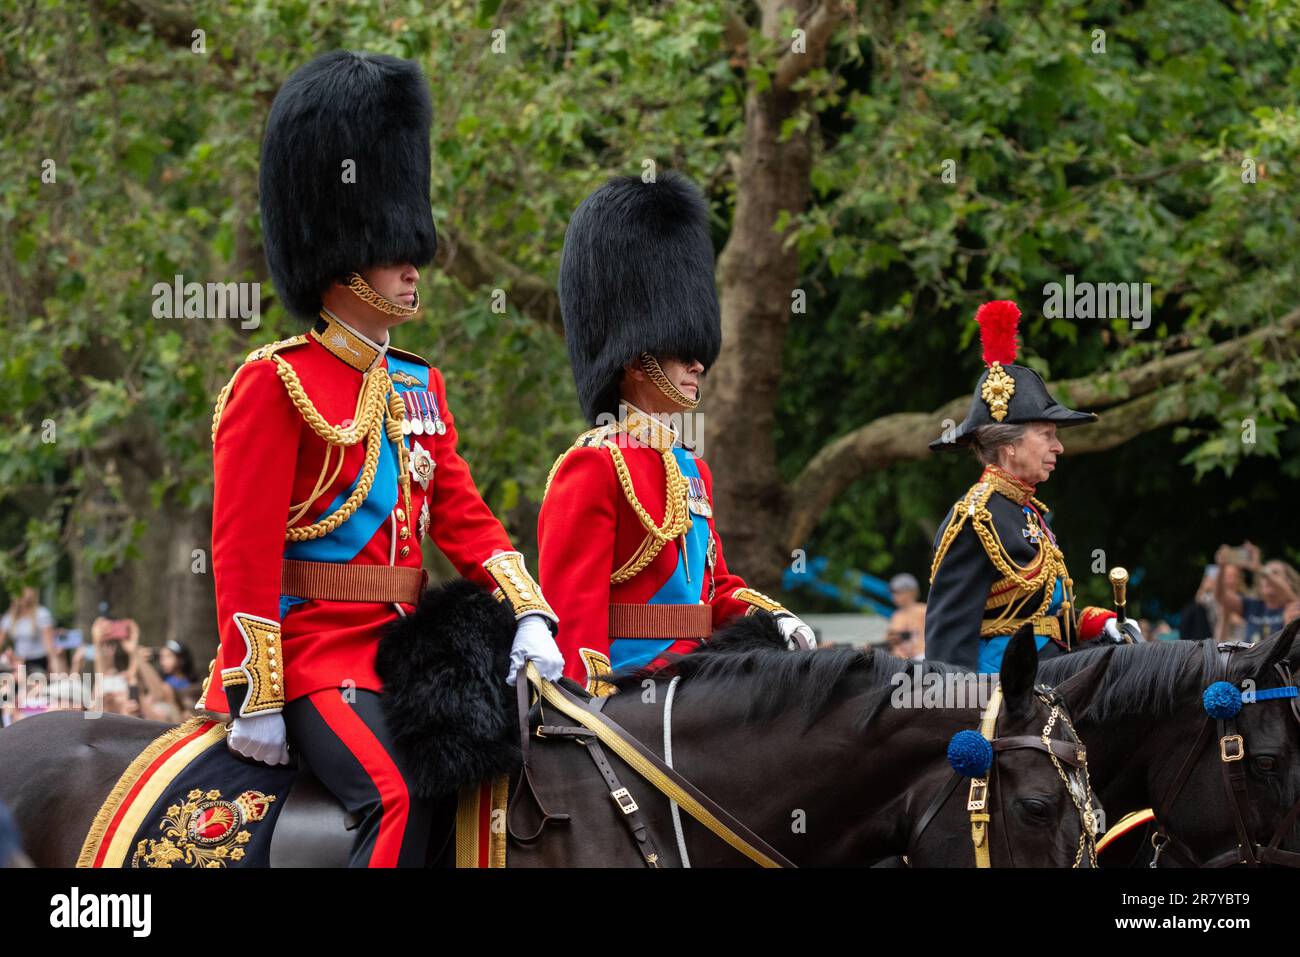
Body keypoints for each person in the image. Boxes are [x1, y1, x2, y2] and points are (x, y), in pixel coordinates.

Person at [194, 51, 563, 868]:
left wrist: (527, 606)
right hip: (316, 658)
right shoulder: (275, 382)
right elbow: (243, 549)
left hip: (408, 655)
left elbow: (461, 514)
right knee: (392, 793)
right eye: (396, 250)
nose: (414, 265)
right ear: (343, 258)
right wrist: (255, 690)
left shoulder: (417, 384)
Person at [538, 172, 815, 693]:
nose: (698, 365)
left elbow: (714, 591)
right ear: (637, 361)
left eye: (697, 353)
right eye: (681, 353)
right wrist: (587, 713)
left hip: (697, 689)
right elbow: (574, 615)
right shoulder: (594, 464)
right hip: (630, 699)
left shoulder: (692, 467)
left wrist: (772, 616)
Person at [924, 300, 1138, 672]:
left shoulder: (1031, 513)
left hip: (1050, 668)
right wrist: (956, 714)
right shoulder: (976, 517)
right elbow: (947, 637)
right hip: (1007, 687)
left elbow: (1043, 616)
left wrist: (1101, 623)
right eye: (1046, 435)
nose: (1059, 447)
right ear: (1009, 445)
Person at [1213, 543, 1300, 643]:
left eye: (1275, 573)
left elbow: (1285, 591)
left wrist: (1259, 568)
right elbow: (1221, 597)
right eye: (1263, 576)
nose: (1267, 578)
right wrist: (1221, 567)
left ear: (1288, 581)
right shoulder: (1253, 605)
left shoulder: (1293, 604)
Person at [0, 587, 59, 675]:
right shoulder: (9, 617)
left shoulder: (41, 614)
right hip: (18, 662)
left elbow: (49, 645)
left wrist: (53, 666)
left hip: (38, 661)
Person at [885, 572, 926, 660]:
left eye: (898, 592)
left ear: (910, 592)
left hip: (922, 657)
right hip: (902, 660)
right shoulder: (896, 615)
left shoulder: (923, 610)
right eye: (893, 593)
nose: (894, 597)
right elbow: (892, 641)